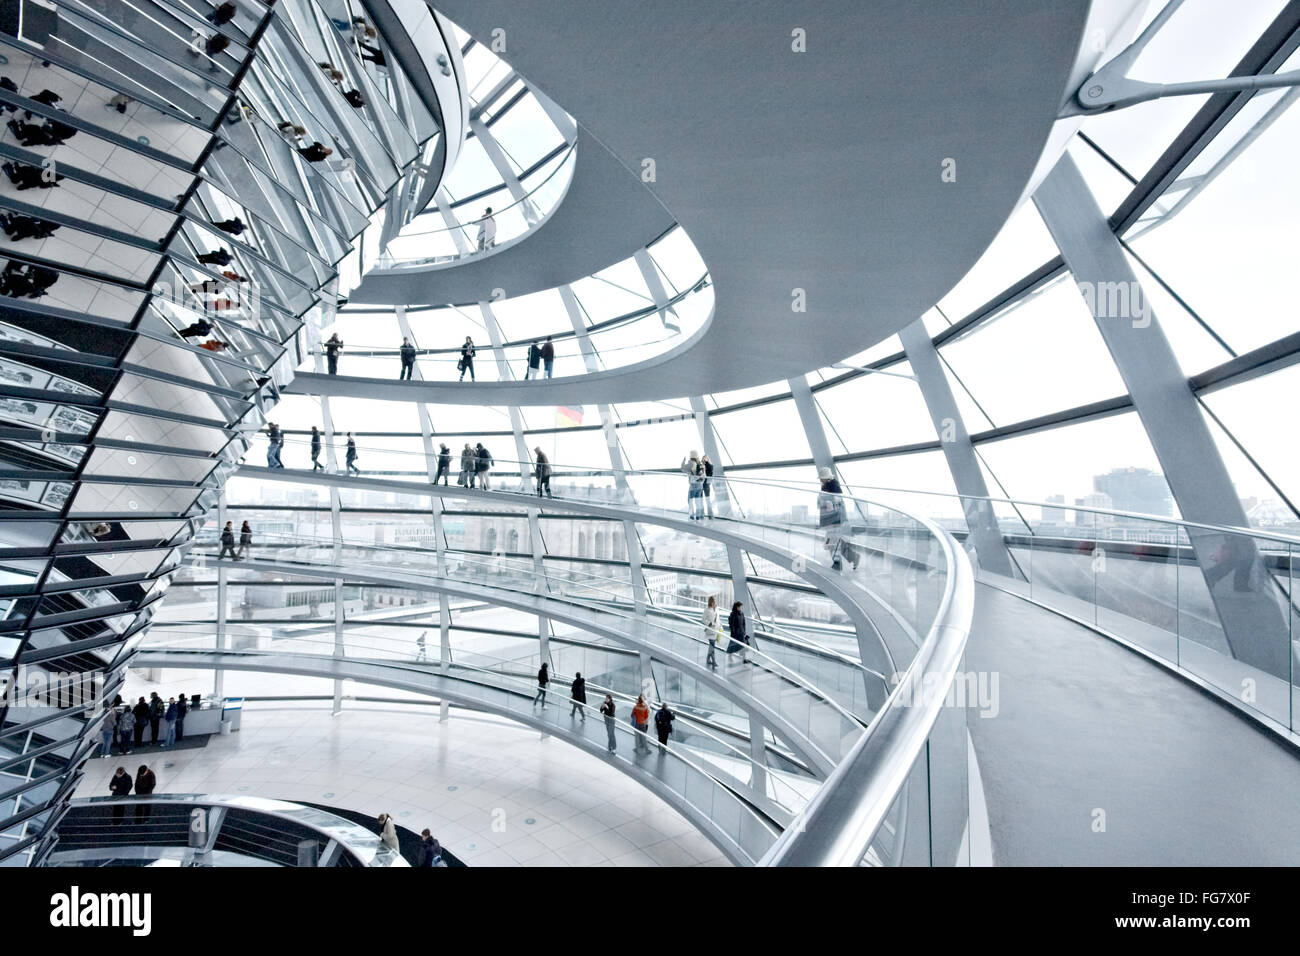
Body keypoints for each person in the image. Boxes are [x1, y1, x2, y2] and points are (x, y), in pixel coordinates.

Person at [682, 450, 705, 519]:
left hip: (693, 485)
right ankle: (698, 516)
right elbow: (703, 474)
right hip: (700, 485)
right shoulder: (700, 463)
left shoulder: (691, 463)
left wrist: (683, 461)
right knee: (698, 501)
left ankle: (692, 515)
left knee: (690, 500)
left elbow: (683, 469)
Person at [702, 595, 719, 669]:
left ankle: (708, 659)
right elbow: (703, 619)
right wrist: (709, 623)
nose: (714, 603)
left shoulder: (715, 609)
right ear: (710, 602)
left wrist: (715, 609)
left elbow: (717, 619)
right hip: (710, 630)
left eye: (714, 601)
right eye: (713, 601)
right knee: (712, 646)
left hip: (715, 631)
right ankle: (714, 661)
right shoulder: (707, 610)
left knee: (711, 646)